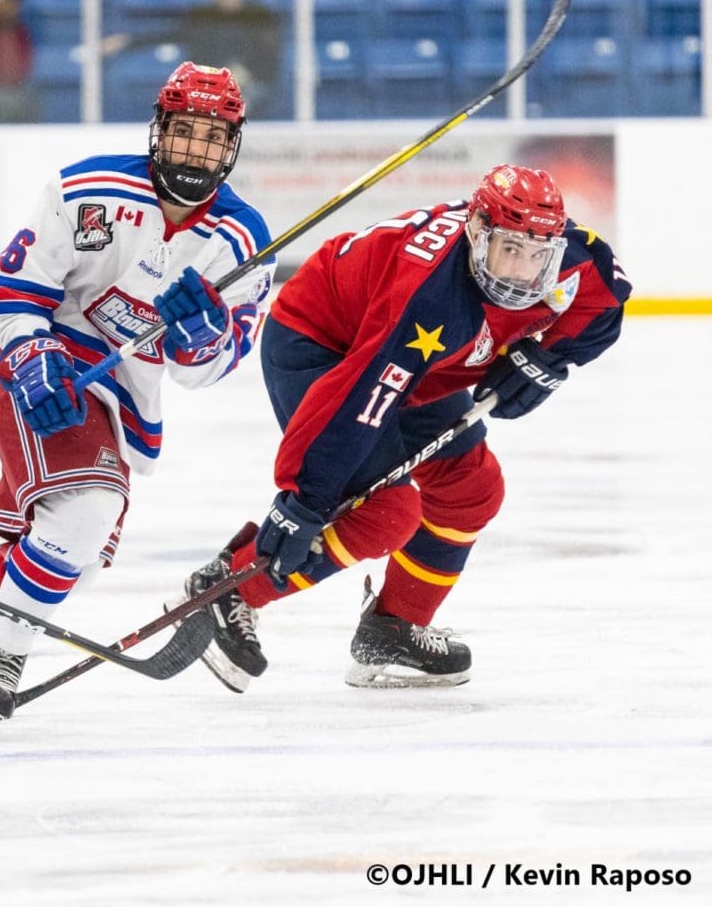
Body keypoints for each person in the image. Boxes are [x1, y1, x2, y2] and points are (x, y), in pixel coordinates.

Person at [0, 62, 274, 738]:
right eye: (184, 132)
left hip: (122, 399)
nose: (195, 150)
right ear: (159, 130)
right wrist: (32, 355)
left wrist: (201, 334)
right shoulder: (88, 188)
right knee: (84, 517)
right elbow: (12, 290)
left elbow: (206, 368)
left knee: (75, 548)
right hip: (44, 367)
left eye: (213, 138)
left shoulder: (242, 241)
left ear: (233, 146)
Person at [175, 165, 632, 693]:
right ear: (477, 232)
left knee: (471, 489)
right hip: (324, 347)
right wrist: (305, 500)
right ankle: (228, 591)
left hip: (415, 368)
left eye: (537, 257)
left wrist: (551, 358)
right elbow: (360, 399)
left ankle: (392, 631)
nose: (521, 274)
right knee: (387, 513)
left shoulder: (575, 257)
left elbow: (607, 299)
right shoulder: (431, 297)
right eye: (510, 251)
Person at [104, 0, 284, 119]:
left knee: (239, 103)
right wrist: (127, 41)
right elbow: (167, 34)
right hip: (207, 89)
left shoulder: (259, 16)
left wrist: (244, 75)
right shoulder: (201, 16)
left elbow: (271, 57)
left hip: (249, 87)